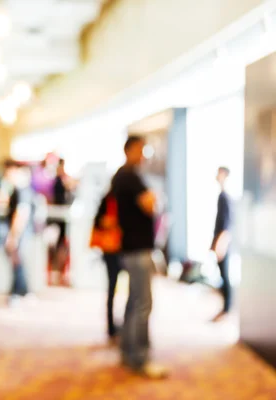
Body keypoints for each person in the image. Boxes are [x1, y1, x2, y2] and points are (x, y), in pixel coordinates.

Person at [111, 135, 168, 379]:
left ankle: (128, 352)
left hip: (129, 248)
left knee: (133, 301)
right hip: (137, 248)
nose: (143, 155)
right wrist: (153, 198)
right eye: (141, 150)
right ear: (130, 150)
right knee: (142, 304)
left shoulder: (122, 176)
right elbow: (150, 205)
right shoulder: (129, 176)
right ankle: (140, 358)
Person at [91, 189, 122, 341]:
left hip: (118, 249)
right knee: (112, 287)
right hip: (113, 250)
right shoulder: (109, 200)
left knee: (114, 288)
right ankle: (111, 325)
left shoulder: (111, 198)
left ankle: (118, 325)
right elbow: (98, 221)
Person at [4, 161, 34, 307]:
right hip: (22, 233)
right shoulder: (22, 189)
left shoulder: (21, 190)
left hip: (20, 234)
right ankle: (24, 292)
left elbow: (21, 214)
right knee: (18, 263)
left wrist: (13, 235)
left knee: (17, 263)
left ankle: (18, 293)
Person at [211, 166, 233, 322]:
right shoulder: (222, 196)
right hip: (220, 240)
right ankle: (225, 307)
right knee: (223, 275)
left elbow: (226, 225)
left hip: (223, 242)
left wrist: (220, 244)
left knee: (225, 276)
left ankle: (227, 308)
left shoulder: (225, 197)